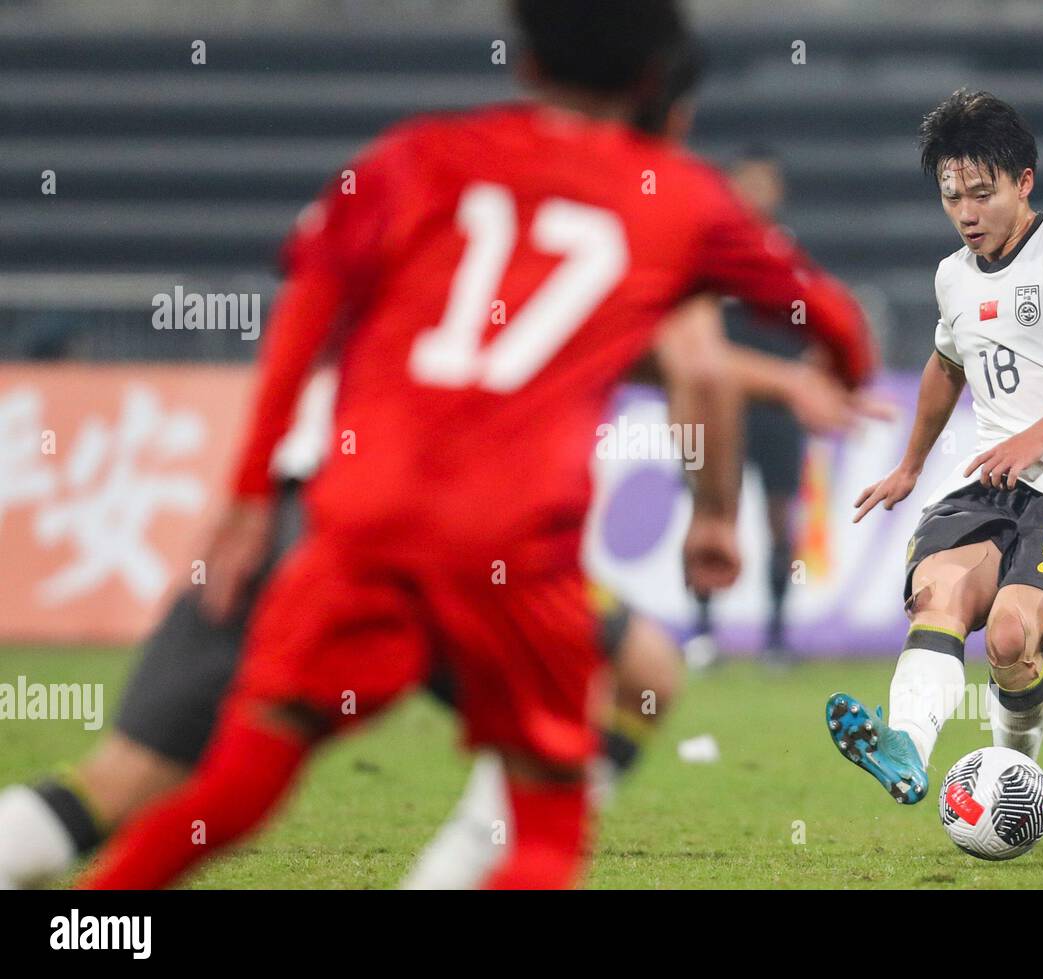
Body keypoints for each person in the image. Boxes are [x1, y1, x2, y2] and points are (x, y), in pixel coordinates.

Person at [74, 0, 872, 889]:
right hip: (514, 542)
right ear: (657, 84)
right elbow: (825, 314)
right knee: (547, 819)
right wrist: (843, 365)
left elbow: (305, 311)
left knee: (244, 776)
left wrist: (252, 492)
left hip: (362, 516)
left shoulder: (419, 155)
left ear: (524, 61)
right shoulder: (682, 201)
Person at [826, 89, 1043, 805]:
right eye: (951, 196)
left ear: (1024, 182)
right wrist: (911, 464)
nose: (966, 212)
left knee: (1010, 640)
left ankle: (1014, 774)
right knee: (936, 591)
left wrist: (1039, 431)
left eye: (982, 193)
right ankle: (908, 750)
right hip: (995, 480)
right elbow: (946, 364)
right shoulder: (954, 275)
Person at [686, 147, 811, 666]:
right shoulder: (710, 254)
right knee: (711, 510)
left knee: (780, 518)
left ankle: (777, 637)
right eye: (744, 184)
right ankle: (704, 632)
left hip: (778, 407)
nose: (753, 195)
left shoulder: (789, 254)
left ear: (776, 192)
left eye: (762, 184)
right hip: (722, 404)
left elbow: (814, 322)